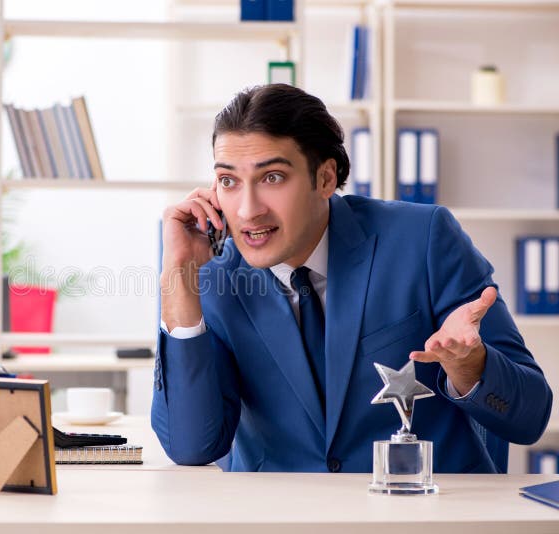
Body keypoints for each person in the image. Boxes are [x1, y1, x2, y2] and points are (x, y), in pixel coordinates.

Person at [151, 84, 552, 473]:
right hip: (280, 517)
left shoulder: (423, 240)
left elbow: (529, 416)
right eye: (229, 181)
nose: (247, 210)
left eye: (272, 177)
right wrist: (179, 275)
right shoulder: (213, 270)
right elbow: (192, 446)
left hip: (421, 513)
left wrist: (470, 367)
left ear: (325, 179)